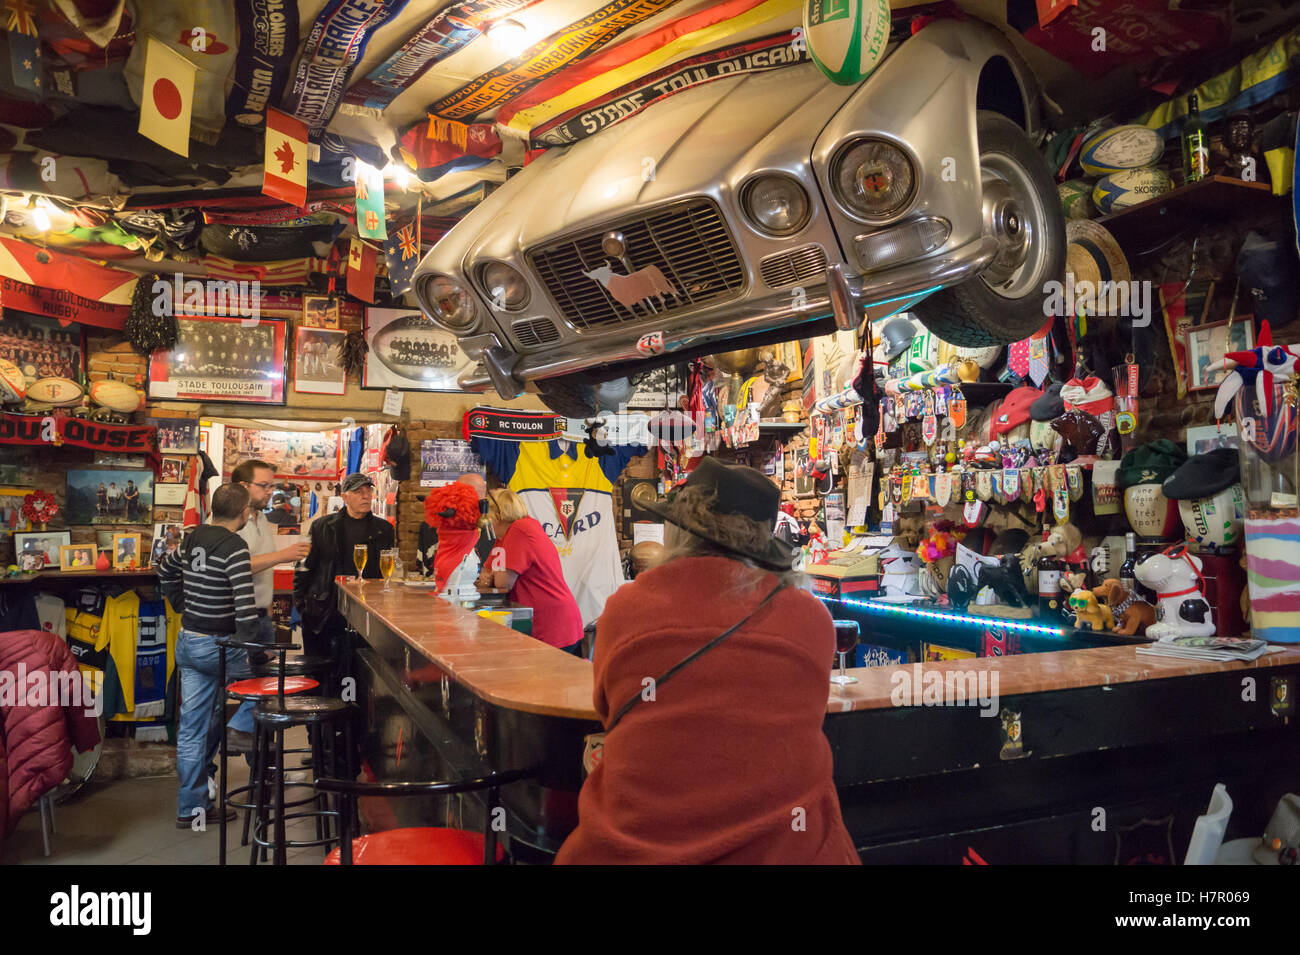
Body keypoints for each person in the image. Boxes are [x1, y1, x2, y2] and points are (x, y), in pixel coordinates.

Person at [555, 458, 859, 864]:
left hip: (632, 848)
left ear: (678, 532)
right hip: (789, 850)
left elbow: (609, 713)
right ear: (767, 540)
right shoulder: (810, 618)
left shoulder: (625, 609)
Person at [156, 483, 260, 829]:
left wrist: (179, 602)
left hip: (188, 640)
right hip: (217, 645)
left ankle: (192, 808)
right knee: (271, 677)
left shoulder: (192, 537)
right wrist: (250, 650)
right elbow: (246, 611)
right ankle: (242, 727)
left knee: (193, 728)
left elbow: (164, 569)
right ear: (244, 512)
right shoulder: (235, 547)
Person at [294, 472, 395, 661]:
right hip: (325, 609)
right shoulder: (321, 526)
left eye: (368, 491)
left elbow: (387, 571)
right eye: (358, 492)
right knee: (322, 671)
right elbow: (303, 567)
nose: (365, 496)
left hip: (367, 612)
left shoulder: (384, 529)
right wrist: (302, 606)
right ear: (345, 497)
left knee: (360, 672)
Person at [476, 487, 583, 655]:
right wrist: (492, 574)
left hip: (553, 626)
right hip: (545, 622)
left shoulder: (520, 530)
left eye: (488, 517)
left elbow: (502, 583)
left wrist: (493, 575)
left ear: (498, 516)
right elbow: (484, 574)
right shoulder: (503, 537)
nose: (486, 523)